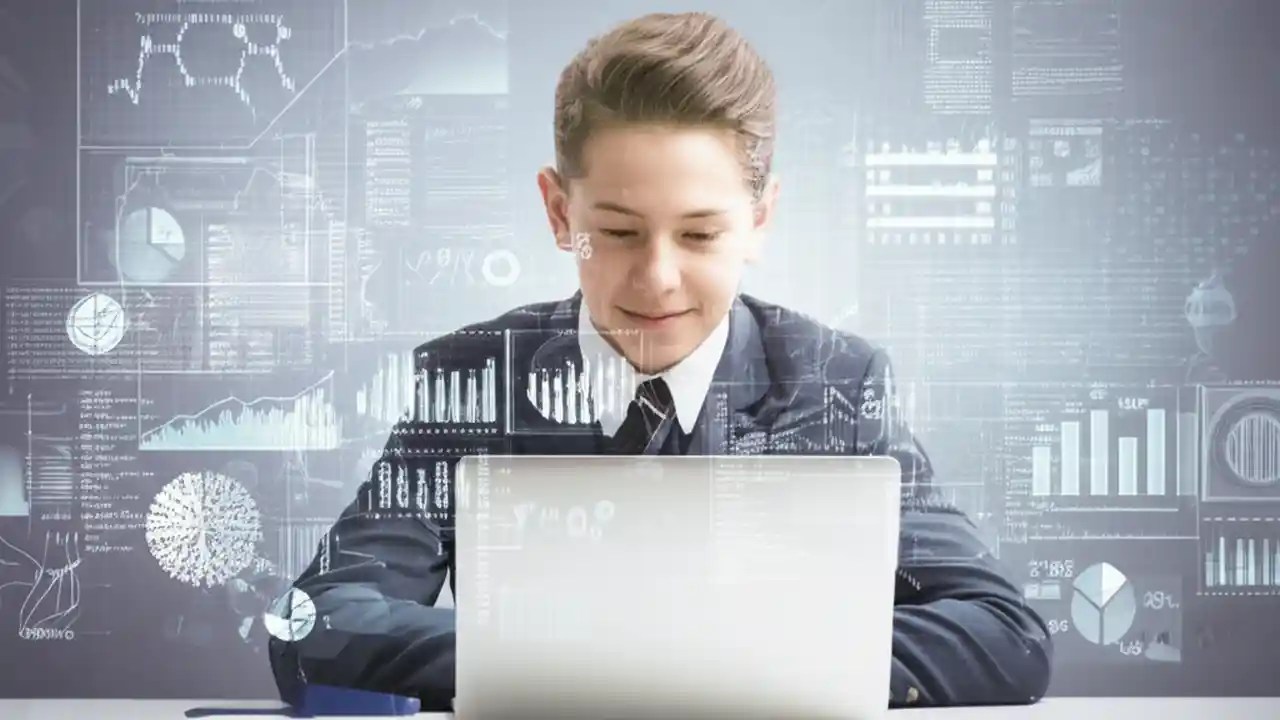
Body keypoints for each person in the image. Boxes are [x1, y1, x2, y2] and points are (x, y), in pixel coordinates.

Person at [269, 11, 1053, 711]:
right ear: (559, 213)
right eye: (617, 232)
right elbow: (315, 624)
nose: (658, 278)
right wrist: (597, 660)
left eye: (700, 234)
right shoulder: (476, 378)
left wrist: (714, 657)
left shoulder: (837, 385)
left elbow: (1006, 635)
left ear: (760, 220)